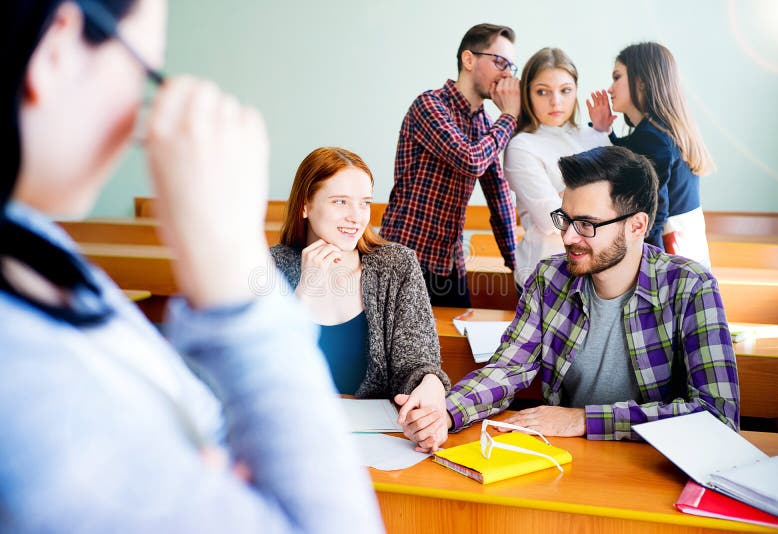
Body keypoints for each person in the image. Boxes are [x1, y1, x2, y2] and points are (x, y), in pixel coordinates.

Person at [0, 1, 384, 531]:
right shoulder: (25, 376)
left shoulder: (39, 248)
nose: (142, 121)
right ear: (59, 48)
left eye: (363, 202)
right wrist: (229, 259)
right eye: (145, 72)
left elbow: (201, 419)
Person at [402, 146, 739, 449]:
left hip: (654, 460)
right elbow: (508, 368)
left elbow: (718, 415)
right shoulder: (549, 278)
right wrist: (444, 413)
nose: (567, 236)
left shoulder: (691, 286)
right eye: (565, 219)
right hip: (569, 456)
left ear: (636, 227)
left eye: (586, 224)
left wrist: (583, 419)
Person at [270, 147, 450, 449]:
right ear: (305, 205)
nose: (356, 217)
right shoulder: (270, 267)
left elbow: (418, 364)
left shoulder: (397, 265)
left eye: (364, 203)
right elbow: (261, 370)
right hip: (290, 439)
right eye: (340, 201)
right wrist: (306, 292)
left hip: (378, 445)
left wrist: (430, 385)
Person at [380, 23, 521, 307]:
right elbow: (470, 160)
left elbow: (500, 199)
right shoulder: (429, 105)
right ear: (469, 59)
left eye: (512, 67)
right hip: (405, 258)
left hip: (447, 264)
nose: (507, 74)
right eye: (500, 62)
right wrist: (509, 116)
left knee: (458, 344)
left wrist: (517, 268)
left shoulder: (484, 124)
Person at [587, 42, 714, 267]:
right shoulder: (662, 132)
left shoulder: (652, 139)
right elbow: (632, 159)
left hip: (668, 259)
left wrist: (648, 273)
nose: (609, 88)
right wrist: (605, 132)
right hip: (688, 251)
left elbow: (653, 217)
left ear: (641, 81)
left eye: (617, 77)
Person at [504, 47, 609, 289]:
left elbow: (620, 205)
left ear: (575, 92)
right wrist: (597, 198)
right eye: (543, 92)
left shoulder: (595, 136)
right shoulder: (522, 146)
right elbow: (552, 221)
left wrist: (564, 196)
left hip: (597, 276)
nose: (556, 101)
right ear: (527, 94)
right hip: (545, 277)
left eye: (565, 90)